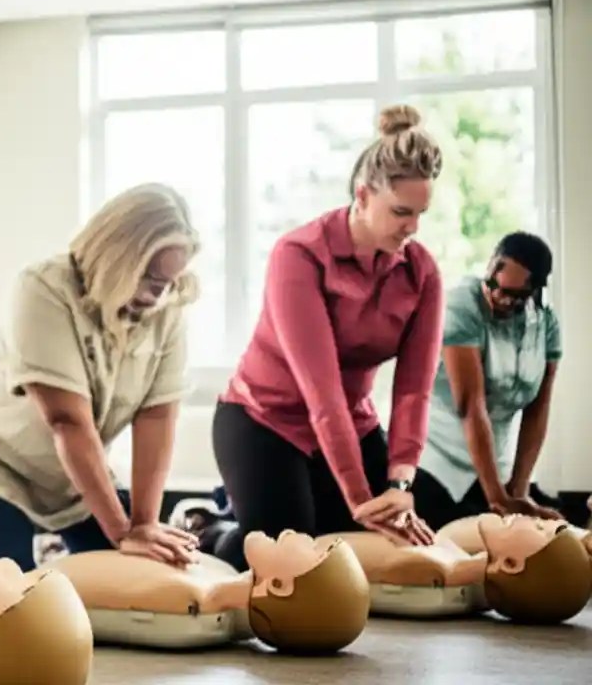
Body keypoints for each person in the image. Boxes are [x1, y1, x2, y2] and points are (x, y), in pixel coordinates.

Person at [203, 104, 445, 570]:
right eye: (400, 212)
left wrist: (398, 486)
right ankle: (213, 530)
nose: (412, 227)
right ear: (362, 195)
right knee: (292, 551)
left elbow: (414, 390)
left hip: (352, 424)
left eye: (420, 214)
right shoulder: (299, 254)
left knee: (385, 540)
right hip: (263, 420)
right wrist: (360, 499)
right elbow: (322, 392)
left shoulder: (422, 272)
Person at [0, 182, 202, 573]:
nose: (154, 296)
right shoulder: (43, 288)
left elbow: (157, 418)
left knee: (146, 573)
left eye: (165, 284)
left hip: (74, 482)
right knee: (9, 595)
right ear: (116, 255)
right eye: (147, 277)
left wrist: (143, 525)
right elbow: (67, 420)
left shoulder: (168, 308)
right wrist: (121, 532)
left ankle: (52, 555)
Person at [412, 232, 564, 529]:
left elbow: (537, 409)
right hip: (436, 461)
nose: (497, 297)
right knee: (465, 540)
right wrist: (498, 499)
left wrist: (519, 490)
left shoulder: (546, 324)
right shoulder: (461, 305)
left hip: (495, 466)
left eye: (513, 295)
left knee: (535, 533)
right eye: (493, 285)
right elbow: (471, 404)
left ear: (534, 292)